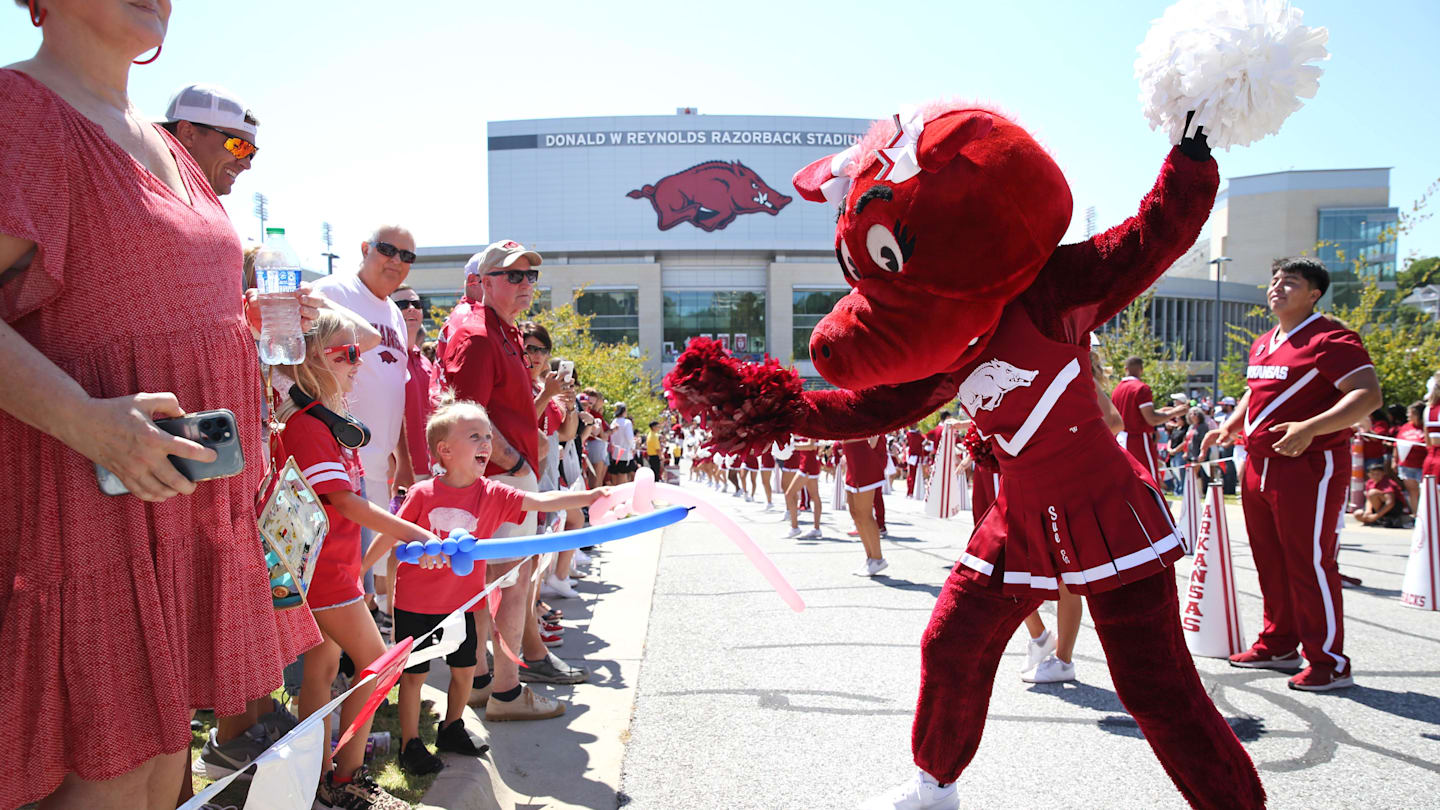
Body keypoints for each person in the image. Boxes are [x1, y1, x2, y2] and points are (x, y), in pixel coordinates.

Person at [0, 5, 309, 805]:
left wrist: (236, 327)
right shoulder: (22, 111)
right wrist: (86, 420)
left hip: (183, 510)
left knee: (165, 770)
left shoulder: (163, 140)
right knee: (113, 777)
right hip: (90, 513)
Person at [384, 397, 609, 773]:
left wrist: (587, 496)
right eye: (475, 436)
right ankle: (410, 744)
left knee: (464, 670)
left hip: (463, 605)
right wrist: (387, 588)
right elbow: (393, 541)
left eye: (488, 436)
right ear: (445, 450)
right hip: (416, 604)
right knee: (414, 676)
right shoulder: (422, 494)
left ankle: (451, 728)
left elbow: (539, 500)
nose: (487, 443)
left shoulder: (492, 493)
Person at [1204, 257, 1381, 692]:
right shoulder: (1264, 342)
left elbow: (1368, 396)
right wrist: (1231, 425)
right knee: (1269, 560)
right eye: (1275, 280)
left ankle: (1329, 662)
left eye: (1291, 282)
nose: (1277, 287)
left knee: (1309, 562)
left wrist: (1310, 428)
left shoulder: (1331, 338)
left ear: (1314, 294)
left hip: (1308, 466)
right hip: (1258, 463)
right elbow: (1254, 390)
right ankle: (1279, 644)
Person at [280, 308, 432, 809]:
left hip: (336, 569)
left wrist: (362, 568)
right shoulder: (306, 425)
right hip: (323, 573)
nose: (358, 362)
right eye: (346, 354)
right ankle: (345, 779)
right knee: (378, 663)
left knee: (323, 669)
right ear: (313, 360)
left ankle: (317, 778)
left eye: (357, 353)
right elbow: (344, 502)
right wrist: (415, 532)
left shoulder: (325, 420)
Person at [440, 239, 584, 720]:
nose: (526, 284)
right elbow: (466, 416)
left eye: (531, 275)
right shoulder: (479, 335)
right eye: (513, 275)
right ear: (484, 281)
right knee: (511, 583)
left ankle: (486, 682)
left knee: (500, 582)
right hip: (502, 480)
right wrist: (516, 463)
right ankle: (505, 691)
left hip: (508, 477)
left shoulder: (503, 330)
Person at [312, 225, 416, 625]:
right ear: (364, 249)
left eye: (407, 256)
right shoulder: (333, 291)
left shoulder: (395, 313)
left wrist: (402, 459)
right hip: (337, 466)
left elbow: (396, 390)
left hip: (375, 467)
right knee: (342, 585)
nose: (397, 261)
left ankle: (358, 657)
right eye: (388, 249)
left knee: (361, 581)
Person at [158, 83, 257, 197]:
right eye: (238, 146)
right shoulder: (145, 200)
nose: (247, 165)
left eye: (251, 153)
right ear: (188, 133)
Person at [1111, 356, 1186, 486]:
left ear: (1125, 369)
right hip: (1137, 439)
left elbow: (1132, 413)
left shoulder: (1117, 390)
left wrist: (1162, 411)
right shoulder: (1141, 388)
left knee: (1128, 481)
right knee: (1149, 480)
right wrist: (1175, 412)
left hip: (1121, 438)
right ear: (1141, 369)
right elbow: (1151, 419)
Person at [843, 436, 889, 576]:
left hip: (863, 462)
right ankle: (870, 558)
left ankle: (878, 558)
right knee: (855, 513)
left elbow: (873, 442)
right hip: (852, 462)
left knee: (865, 514)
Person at [784, 436, 823, 539]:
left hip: (807, 466)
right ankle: (816, 529)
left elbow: (811, 446)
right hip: (807, 464)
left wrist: (793, 446)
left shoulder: (811, 429)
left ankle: (795, 527)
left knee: (789, 494)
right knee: (815, 497)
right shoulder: (806, 430)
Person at [1395, 401, 1427, 512]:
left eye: (1411, 413)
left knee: (1424, 492)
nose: (1408, 415)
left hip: (1422, 465)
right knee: (1412, 492)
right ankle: (1416, 515)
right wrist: (1395, 460)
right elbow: (1397, 444)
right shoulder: (1405, 427)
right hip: (1406, 465)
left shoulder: (1426, 427)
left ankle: (1425, 515)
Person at [1354, 463, 1404, 528]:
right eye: (1373, 474)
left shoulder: (1387, 482)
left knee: (1373, 493)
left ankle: (1380, 518)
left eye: (1378, 474)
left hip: (1393, 508)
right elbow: (1369, 499)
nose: (1375, 476)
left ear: (1383, 473)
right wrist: (1368, 511)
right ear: (1368, 474)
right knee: (1358, 514)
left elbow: (1390, 502)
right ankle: (1376, 521)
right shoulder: (1369, 482)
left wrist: (1376, 516)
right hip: (1377, 507)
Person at [609, 402, 637, 484]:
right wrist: (633, 447)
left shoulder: (613, 422)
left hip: (615, 453)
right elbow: (630, 437)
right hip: (625, 453)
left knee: (616, 475)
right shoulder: (627, 422)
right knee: (623, 475)